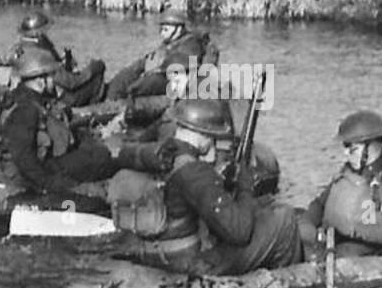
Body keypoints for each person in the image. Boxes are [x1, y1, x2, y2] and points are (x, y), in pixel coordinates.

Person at [117, 98, 300, 275]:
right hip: (191, 263)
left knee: (263, 208)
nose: (212, 143)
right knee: (284, 219)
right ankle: (287, 284)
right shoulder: (194, 172)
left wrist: (224, 183)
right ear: (201, 134)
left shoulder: (164, 156)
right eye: (211, 136)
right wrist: (245, 187)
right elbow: (239, 232)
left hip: (160, 252)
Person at [0, 47, 120, 194]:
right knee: (100, 160)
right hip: (33, 172)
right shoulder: (25, 109)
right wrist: (53, 184)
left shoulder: (35, 101)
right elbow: (24, 159)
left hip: (45, 163)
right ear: (40, 81)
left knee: (95, 153)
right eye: (51, 76)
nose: (54, 81)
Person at [299, 110, 382, 259]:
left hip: (381, 250)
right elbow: (320, 204)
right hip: (339, 240)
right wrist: (307, 226)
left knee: (345, 254)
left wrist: (352, 228)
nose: (346, 154)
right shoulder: (350, 171)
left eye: (352, 148)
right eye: (345, 147)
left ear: (372, 146)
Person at [104, 10, 217, 101]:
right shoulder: (168, 44)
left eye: (166, 29)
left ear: (179, 29)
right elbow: (148, 61)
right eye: (160, 29)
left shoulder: (191, 44)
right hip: (160, 75)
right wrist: (132, 71)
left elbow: (178, 66)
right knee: (125, 76)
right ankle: (110, 97)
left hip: (173, 82)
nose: (162, 33)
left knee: (145, 83)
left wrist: (153, 72)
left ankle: (126, 99)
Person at [1, 10, 105, 108]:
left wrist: (64, 63)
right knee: (96, 76)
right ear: (38, 33)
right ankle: (92, 109)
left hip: (30, 93)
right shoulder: (41, 55)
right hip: (58, 99)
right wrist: (92, 68)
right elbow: (71, 83)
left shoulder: (18, 48)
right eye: (44, 31)